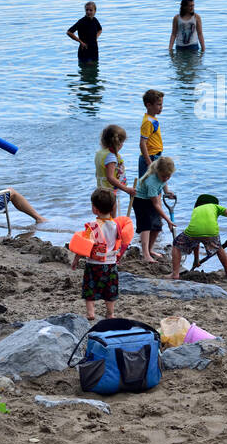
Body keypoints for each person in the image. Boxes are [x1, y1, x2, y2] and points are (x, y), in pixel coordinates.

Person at [70, 188, 127, 321]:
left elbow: (83, 246)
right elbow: (120, 243)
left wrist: (76, 260)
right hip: (110, 264)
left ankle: (90, 312)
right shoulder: (117, 226)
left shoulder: (92, 227)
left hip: (93, 264)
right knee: (110, 290)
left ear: (95, 209)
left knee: (90, 289)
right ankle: (110, 313)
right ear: (113, 207)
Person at [168, 194, 227, 280]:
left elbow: (196, 241)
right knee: (219, 249)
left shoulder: (196, 209)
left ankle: (175, 274)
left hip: (193, 231)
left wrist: (196, 259)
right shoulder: (216, 207)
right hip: (211, 232)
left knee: (176, 244)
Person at [134, 156, 177, 262]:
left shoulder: (162, 176)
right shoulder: (152, 181)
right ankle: (145, 254)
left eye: (168, 176)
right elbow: (156, 205)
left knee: (157, 226)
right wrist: (168, 220)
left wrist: (167, 191)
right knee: (146, 226)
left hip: (150, 200)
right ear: (158, 172)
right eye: (164, 176)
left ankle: (150, 249)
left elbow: (163, 183)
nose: (166, 178)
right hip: (140, 201)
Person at [94, 124, 134, 216]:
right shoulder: (111, 157)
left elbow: (98, 173)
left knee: (103, 216)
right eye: (122, 142)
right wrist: (126, 189)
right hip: (109, 192)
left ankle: (103, 229)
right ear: (117, 143)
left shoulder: (100, 153)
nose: (122, 145)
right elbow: (110, 178)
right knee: (112, 217)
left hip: (101, 189)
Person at [138, 89, 167, 179]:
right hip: (150, 157)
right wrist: (149, 161)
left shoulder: (152, 119)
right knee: (147, 184)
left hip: (156, 155)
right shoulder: (148, 122)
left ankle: (165, 192)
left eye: (161, 104)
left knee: (157, 180)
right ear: (149, 105)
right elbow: (142, 143)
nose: (161, 107)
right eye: (158, 104)